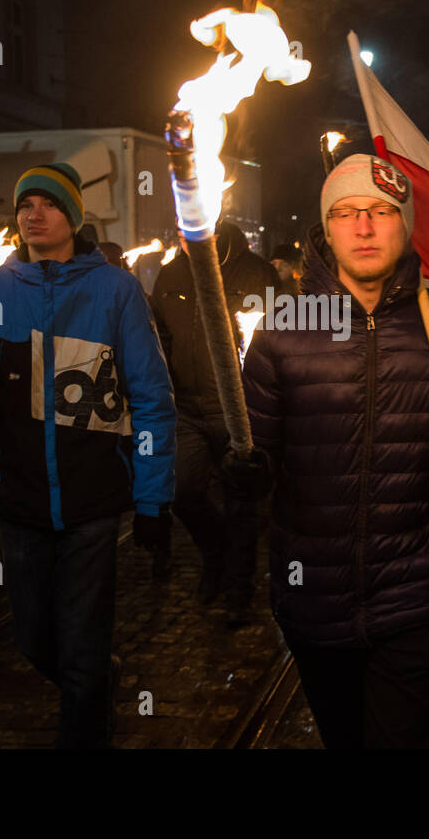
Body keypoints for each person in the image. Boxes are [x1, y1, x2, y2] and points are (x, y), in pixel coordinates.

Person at [234, 154, 429, 748]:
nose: (363, 227)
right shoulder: (281, 332)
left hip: (412, 593)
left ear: (405, 224)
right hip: (311, 592)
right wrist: (238, 472)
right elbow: (255, 470)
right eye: (346, 213)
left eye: (381, 211)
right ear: (326, 228)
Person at [0, 163, 175, 748]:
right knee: (34, 639)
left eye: (48, 203)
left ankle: (86, 716)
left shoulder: (115, 289)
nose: (33, 213)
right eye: (26, 204)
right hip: (19, 498)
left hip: (91, 497)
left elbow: (149, 396)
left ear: (72, 215)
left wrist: (152, 497)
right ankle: (94, 683)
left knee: (83, 641)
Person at [151, 219, 279, 626]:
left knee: (242, 502)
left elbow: (279, 336)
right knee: (183, 492)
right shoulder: (170, 274)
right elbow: (162, 340)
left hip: (240, 409)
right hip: (187, 409)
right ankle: (215, 554)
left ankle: (237, 589)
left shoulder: (255, 272)